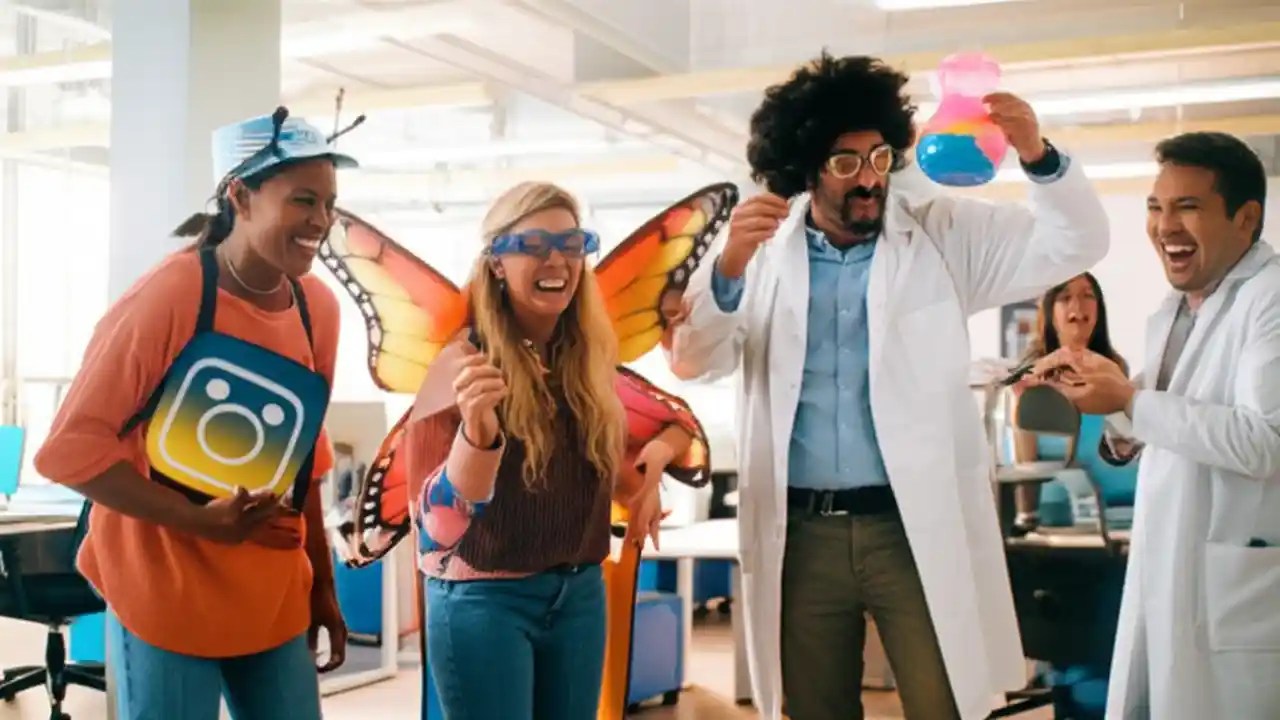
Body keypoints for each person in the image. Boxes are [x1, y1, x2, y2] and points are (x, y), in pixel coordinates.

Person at [665, 52, 1110, 720]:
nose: (869, 178)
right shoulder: (758, 255)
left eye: (878, 158)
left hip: (910, 525)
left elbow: (1077, 242)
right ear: (807, 168)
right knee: (815, 709)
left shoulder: (941, 235)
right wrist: (727, 268)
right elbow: (696, 359)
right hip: (803, 535)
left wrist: (1038, 157)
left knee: (942, 704)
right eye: (846, 163)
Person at [33, 108, 358, 720]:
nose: (321, 221)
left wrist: (321, 583)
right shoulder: (170, 295)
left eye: (329, 204)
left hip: (270, 592)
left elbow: (305, 461)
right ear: (240, 196)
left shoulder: (317, 308)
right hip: (166, 588)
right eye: (303, 200)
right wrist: (197, 520)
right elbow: (70, 452)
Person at [403, 181, 704, 720]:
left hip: (578, 594)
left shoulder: (584, 360)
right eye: (533, 244)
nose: (557, 260)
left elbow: (670, 425)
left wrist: (652, 466)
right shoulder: (462, 364)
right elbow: (436, 529)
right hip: (484, 599)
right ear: (496, 263)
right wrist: (478, 437)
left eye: (572, 244)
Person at [1047, 131, 1280, 719]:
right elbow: (1157, 424)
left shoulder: (1271, 298)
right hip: (1167, 568)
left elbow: (1265, 443)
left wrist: (1130, 399)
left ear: (1246, 218)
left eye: (1188, 206)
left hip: (1233, 582)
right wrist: (1108, 402)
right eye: (1156, 206)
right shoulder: (1172, 311)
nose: (1164, 226)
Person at [1009, 272, 1132, 533]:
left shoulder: (1115, 368)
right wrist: (1025, 521)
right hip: (1062, 517)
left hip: (1124, 511)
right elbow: (1024, 463)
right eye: (1065, 298)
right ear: (1050, 313)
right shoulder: (1031, 379)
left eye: (1088, 296)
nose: (1078, 306)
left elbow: (1125, 441)